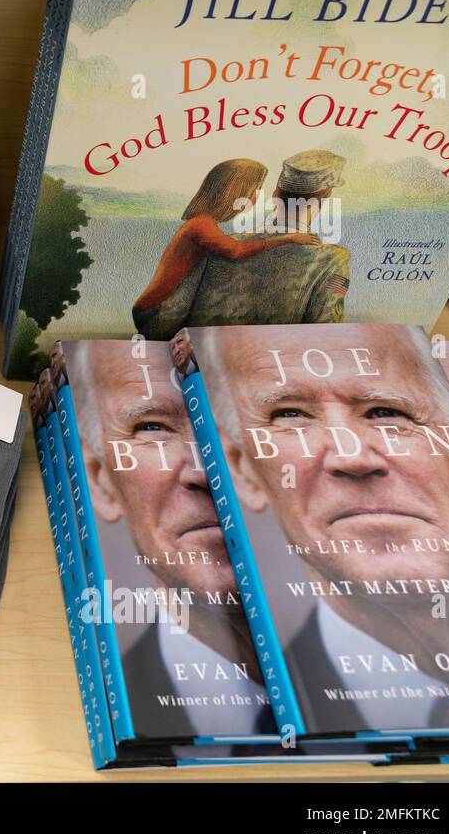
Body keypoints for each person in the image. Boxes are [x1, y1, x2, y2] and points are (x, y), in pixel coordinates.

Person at [198, 324, 449, 733]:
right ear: (242, 471)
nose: (351, 456)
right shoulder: (238, 723)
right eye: (291, 415)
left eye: (386, 412)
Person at [69, 342, 269, 740]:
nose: (205, 469)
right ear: (99, 482)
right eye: (152, 427)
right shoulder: (98, 716)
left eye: (224, 423)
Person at [132, 158, 319, 340]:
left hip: (163, 307)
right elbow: (236, 251)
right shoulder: (200, 225)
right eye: (256, 189)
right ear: (236, 191)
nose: (258, 196)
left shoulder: (203, 223)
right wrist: (289, 237)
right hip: (156, 312)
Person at [183, 151, 351, 333]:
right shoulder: (334, 261)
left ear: (275, 195)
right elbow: (328, 330)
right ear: (324, 199)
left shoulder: (217, 245)